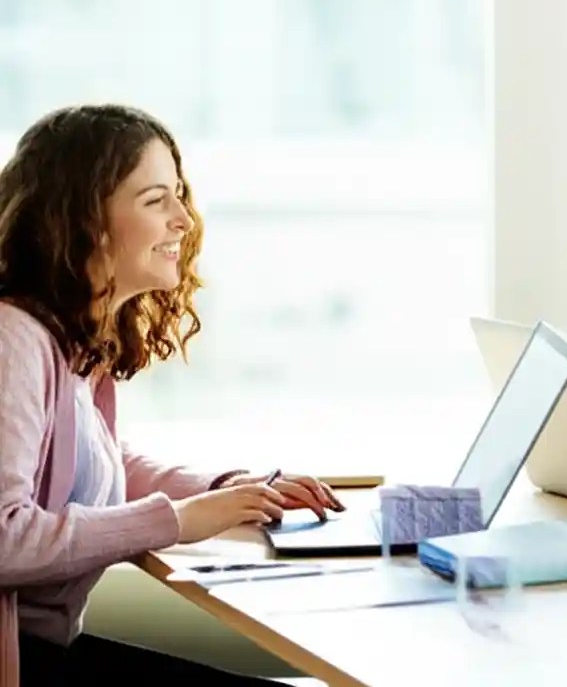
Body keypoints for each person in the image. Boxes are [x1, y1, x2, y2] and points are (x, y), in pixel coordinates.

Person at [0, 104, 346, 685]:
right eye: (156, 200)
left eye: (179, 196)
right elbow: (5, 537)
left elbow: (91, 464)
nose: (184, 220)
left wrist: (222, 490)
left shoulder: (72, 346)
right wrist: (179, 520)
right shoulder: (13, 341)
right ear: (85, 219)